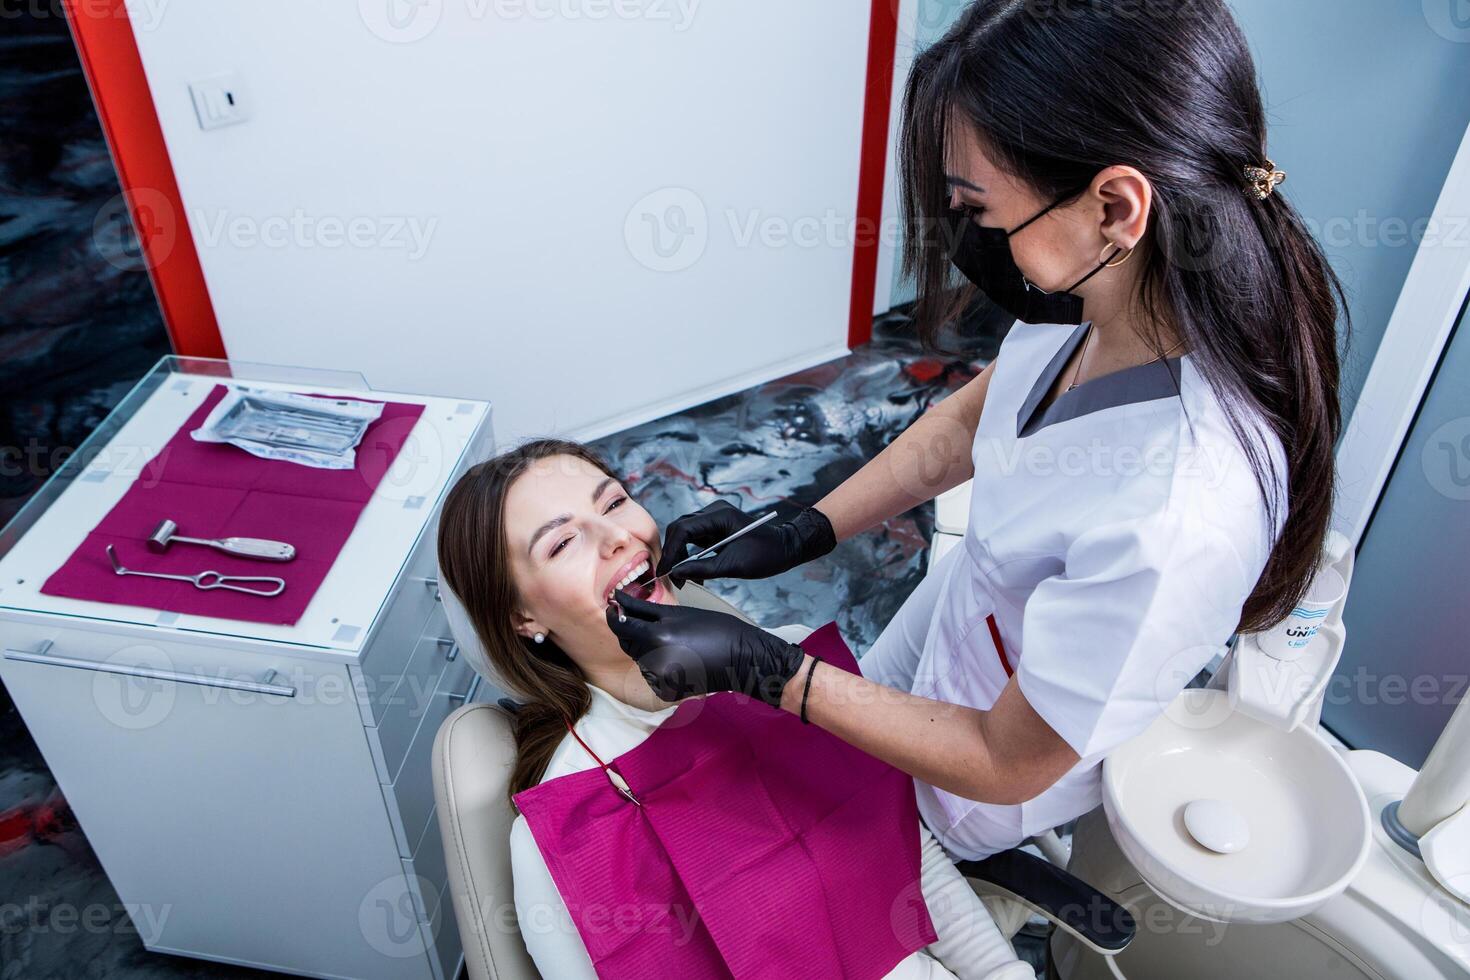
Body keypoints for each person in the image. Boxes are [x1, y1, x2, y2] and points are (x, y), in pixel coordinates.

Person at [608, 0, 1345, 863]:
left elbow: (1004, 758)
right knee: (824, 757)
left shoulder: (1177, 513)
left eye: (977, 207)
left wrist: (767, 668)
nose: (969, 235)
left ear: (1115, 206)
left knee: (861, 855)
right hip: (968, 604)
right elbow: (983, 411)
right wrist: (806, 526)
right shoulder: (1100, 291)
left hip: (979, 772)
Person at [436, 439, 1033, 980]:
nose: (619, 537)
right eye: (564, 542)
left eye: (615, 502)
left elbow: (910, 864)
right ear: (524, 618)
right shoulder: (566, 833)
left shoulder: (797, 674)